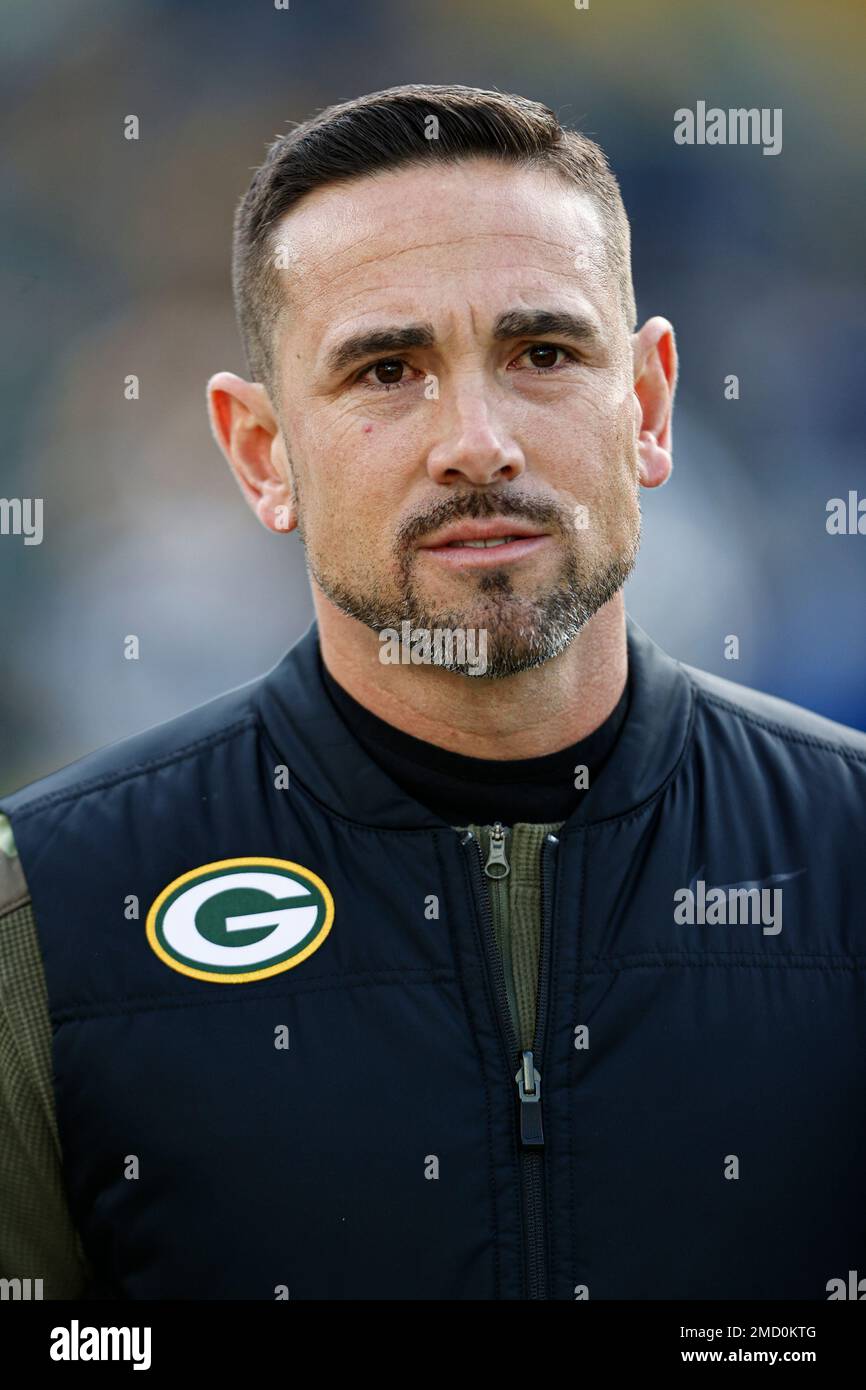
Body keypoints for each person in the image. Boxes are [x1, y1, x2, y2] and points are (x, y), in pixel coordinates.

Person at [1, 83, 864, 1301]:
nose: (474, 442)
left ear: (648, 406)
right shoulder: (47, 919)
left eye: (542, 354)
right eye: (386, 369)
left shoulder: (845, 851)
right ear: (261, 454)